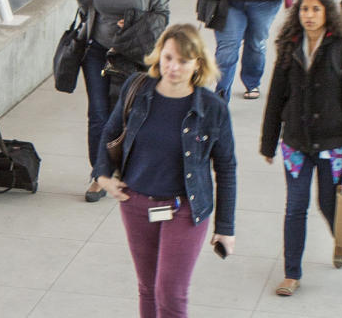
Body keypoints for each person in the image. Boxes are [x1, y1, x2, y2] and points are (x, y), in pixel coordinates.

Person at [95, 24, 237, 318]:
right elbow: (110, 131)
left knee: (170, 293)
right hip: (136, 204)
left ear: (198, 63)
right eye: (168, 57)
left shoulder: (212, 108)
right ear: (159, 55)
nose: (173, 67)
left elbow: (226, 168)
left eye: (183, 61)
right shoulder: (137, 88)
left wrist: (225, 227)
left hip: (185, 208)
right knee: (147, 288)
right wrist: (103, 175)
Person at [260, 0, 342, 297]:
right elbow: (276, 98)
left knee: (327, 201)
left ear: (327, 14)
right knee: (295, 207)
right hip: (295, 143)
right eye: (304, 9)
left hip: (333, 144)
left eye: (315, 10)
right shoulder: (289, 48)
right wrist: (268, 142)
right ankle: (291, 274)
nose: (308, 15)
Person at [74, 0, 171, 202]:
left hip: (128, 57)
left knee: (123, 115)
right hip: (96, 53)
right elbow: (90, 8)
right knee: (98, 114)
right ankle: (98, 175)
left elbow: (162, 14)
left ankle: (124, 169)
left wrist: (135, 24)